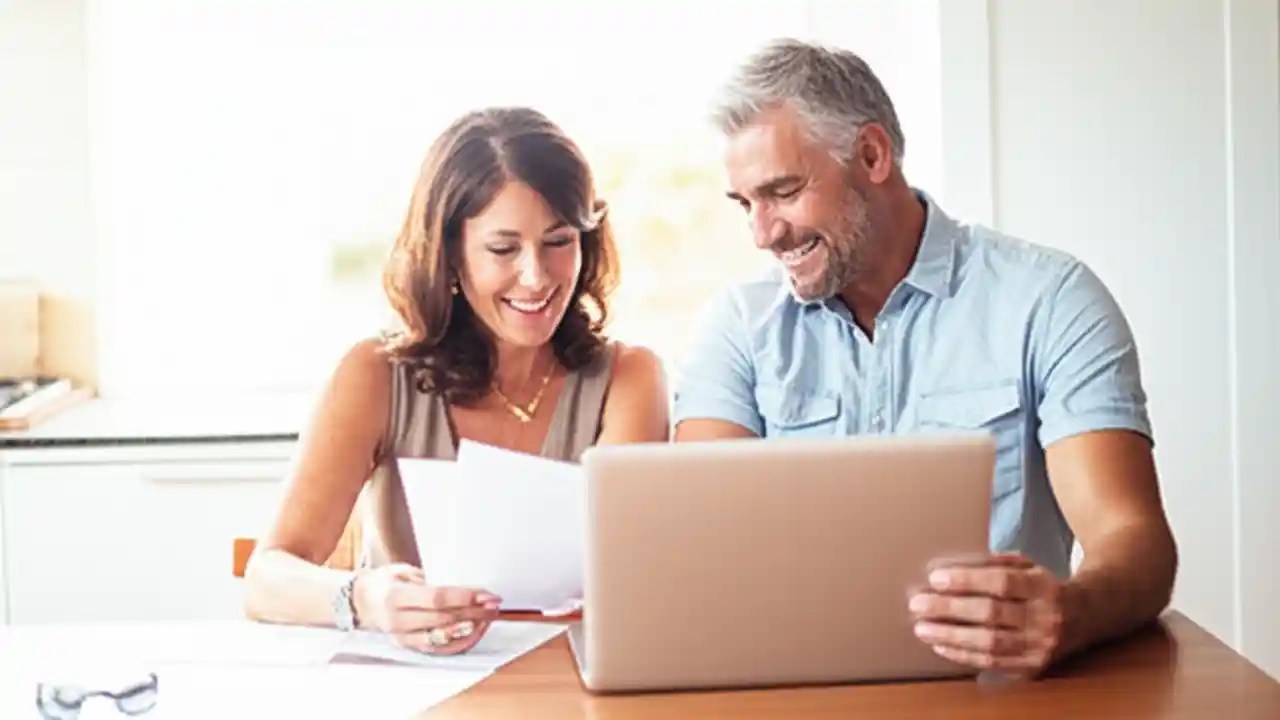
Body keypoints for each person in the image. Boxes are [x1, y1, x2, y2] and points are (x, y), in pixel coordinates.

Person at [674, 39, 1177, 678]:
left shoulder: (1048, 300)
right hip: (796, 689)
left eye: (783, 191)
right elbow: (700, 553)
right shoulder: (738, 328)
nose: (763, 234)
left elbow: (1132, 540)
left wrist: (1069, 614)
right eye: (746, 204)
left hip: (997, 692)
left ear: (873, 154)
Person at [244, 107, 670, 655]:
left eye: (559, 240)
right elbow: (267, 578)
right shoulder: (375, 375)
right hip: (421, 692)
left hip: (572, 685)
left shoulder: (629, 377)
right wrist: (366, 599)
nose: (537, 276)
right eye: (503, 248)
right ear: (449, 254)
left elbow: (629, 576)